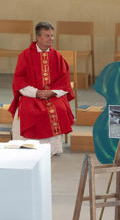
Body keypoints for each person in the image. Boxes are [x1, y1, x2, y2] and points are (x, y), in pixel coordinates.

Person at [8, 22, 74, 155]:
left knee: (59, 108)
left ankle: (52, 149)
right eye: (47, 36)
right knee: (27, 110)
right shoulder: (25, 55)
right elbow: (19, 80)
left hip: (52, 95)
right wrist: (36, 93)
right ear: (38, 37)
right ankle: (27, 145)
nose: (51, 39)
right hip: (31, 95)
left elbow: (65, 80)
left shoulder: (57, 57)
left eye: (52, 36)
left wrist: (52, 92)